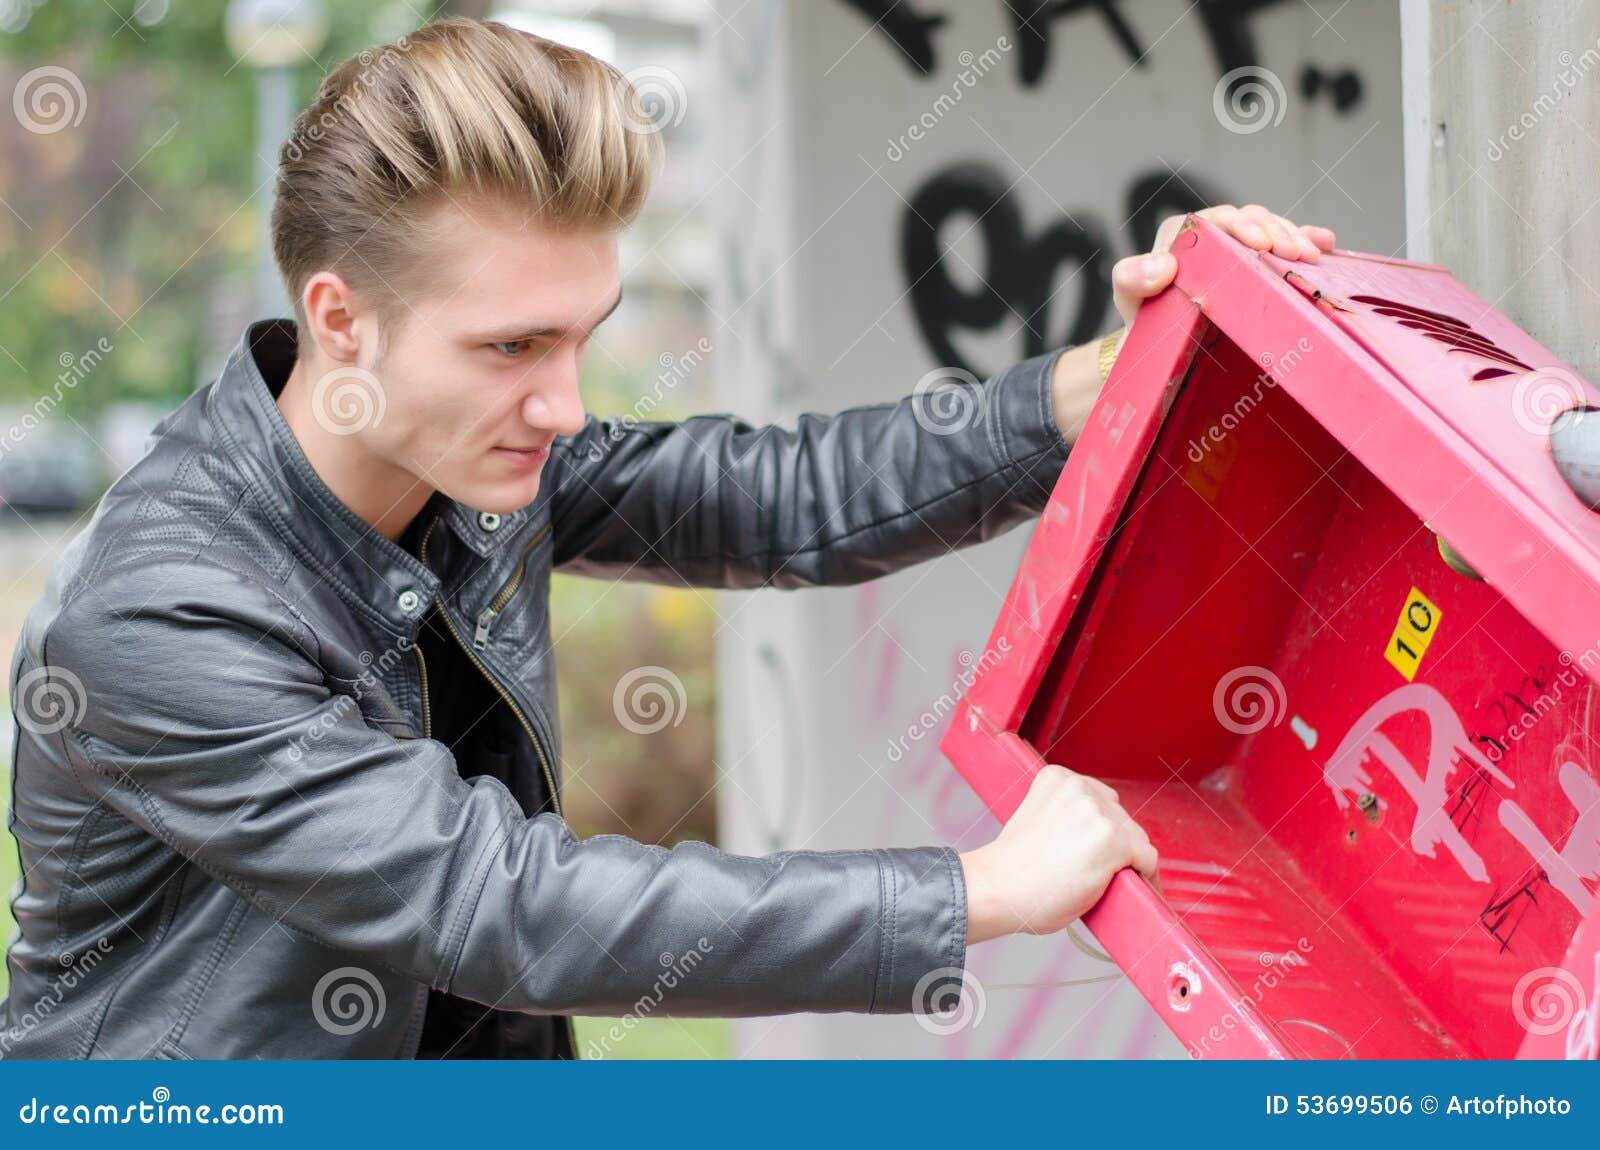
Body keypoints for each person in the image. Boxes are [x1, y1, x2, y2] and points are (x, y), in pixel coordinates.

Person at [0, 16, 1335, 1060]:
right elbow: (508, 908)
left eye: (583, 335)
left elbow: (781, 496)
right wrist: (977, 886)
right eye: (514, 346)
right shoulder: (164, 613)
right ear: (341, 321)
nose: (566, 404)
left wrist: (1096, 391)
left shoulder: (463, 454)